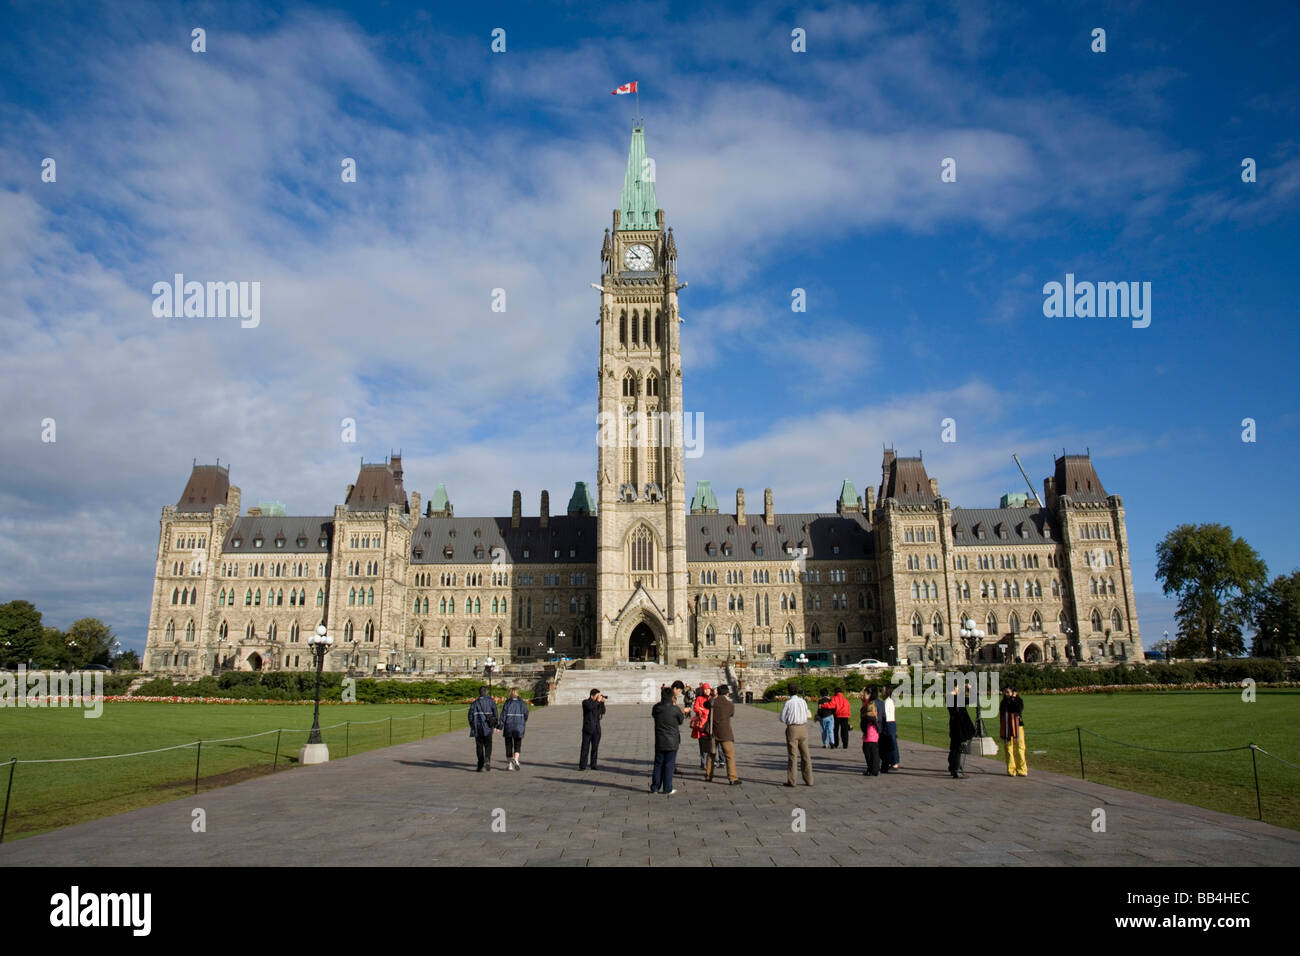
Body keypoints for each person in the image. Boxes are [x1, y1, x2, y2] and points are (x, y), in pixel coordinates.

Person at [651, 686, 684, 795]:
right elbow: (681, 721)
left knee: (658, 764)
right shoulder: (675, 709)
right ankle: (667, 788)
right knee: (669, 764)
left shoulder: (656, 708)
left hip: (660, 740)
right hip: (672, 740)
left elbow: (654, 715)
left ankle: (655, 787)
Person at [704, 684, 740, 785]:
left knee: (711, 754)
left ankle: (708, 775)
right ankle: (732, 777)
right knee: (729, 755)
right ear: (727, 693)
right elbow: (731, 714)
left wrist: (714, 697)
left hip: (713, 731)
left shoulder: (712, 701)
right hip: (725, 732)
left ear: (718, 692)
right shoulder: (729, 704)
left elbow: (705, 705)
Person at [780, 688, 814, 787]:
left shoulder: (788, 703)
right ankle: (809, 779)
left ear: (789, 692)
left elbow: (782, 717)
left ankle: (792, 780)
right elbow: (807, 714)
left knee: (792, 755)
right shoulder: (803, 701)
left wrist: (788, 720)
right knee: (806, 755)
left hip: (792, 728)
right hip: (803, 728)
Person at [947, 683, 976, 779]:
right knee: (960, 748)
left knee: (954, 747)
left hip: (954, 725)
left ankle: (952, 768)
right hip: (960, 726)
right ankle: (957, 770)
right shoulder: (957, 698)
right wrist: (970, 689)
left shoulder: (949, 697)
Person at [467, 685, 499, 772]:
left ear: (479, 693)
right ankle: (487, 758)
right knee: (488, 745)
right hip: (488, 726)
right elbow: (495, 713)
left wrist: (472, 725)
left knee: (479, 746)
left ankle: (480, 764)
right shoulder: (490, 702)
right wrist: (495, 724)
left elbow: (470, 716)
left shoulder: (475, 703)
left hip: (478, 727)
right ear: (486, 692)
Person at [999, 685, 1028, 777]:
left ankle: (1022, 769)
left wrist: (1013, 699)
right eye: (1005, 692)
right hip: (1007, 728)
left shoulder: (1018, 700)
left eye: (1008, 692)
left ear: (1013, 692)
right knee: (1008, 749)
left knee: (1020, 748)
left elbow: (1018, 709)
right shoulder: (1003, 702)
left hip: (1017, 727)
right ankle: (1011, 769)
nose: (1006, 694)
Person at [499, 688, 529, 771]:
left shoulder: (507, 703)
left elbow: (503, 716)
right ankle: (516, 759)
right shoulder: (522, 703)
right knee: (517, 743)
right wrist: (523, 721)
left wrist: (499, 726)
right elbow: (526, 713)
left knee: (508, 745)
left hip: (509, 726)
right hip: (519, 725)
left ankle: (510, 764)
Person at [579, 688, 606, 770]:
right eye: (597, 696)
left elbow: (603, 712)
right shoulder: (586, 702)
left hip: (596, 729)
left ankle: (593, 765)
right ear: (592, 696)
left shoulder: (597, 704)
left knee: (595, 748)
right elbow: (590, 707)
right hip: (588, 729)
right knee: (585, 748)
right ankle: (582, 766)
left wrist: (602, 703)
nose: (599, 697)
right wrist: (597, 701)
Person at [690, 682, 713, 769]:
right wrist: (704, 711)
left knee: (710, 744)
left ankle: (708, 762)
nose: (707, 691)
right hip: (701, 725)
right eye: (705, 689)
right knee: (702, 744)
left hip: (709, 724)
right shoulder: (699, 698)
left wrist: (702, 709)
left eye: (708, 689)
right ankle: (703, 763)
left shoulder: (712, 698)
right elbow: (696, 708)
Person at [880, 682, 900, 771]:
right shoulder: (889, 700)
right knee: (891, 743)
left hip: (888, 723)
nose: (881, 692)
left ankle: (893, 761)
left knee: (890, 743)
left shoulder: (888, 701)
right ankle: (892, 761)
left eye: (883, 690)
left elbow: (885, 715)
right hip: (891, 723)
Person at [861, 699, 881, 776]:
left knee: (868, 756)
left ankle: (870, 769)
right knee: (875, 755)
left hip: (867, 739)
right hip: (874, 739)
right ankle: (875, 769)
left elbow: (863, 726)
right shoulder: (875, 717)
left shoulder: (865, 718)